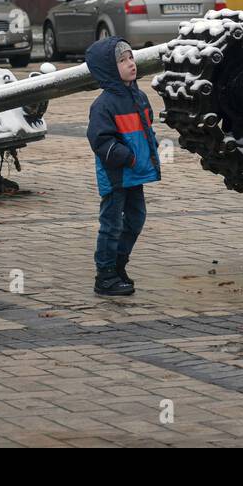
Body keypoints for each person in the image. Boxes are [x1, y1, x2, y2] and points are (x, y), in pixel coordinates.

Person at [85, 36, 160, 296]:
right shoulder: (103, 105)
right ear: (108, 68)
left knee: (136, 219)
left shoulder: (139, 97)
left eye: (131, 57)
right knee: (112, 223)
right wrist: (125, 156)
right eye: (122, 60)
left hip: (135, 174)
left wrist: (151, 148)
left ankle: (118, 265)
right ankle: (104, 276)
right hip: (116, 175)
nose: (131, 64)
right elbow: (100, 140)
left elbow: (146, 129)